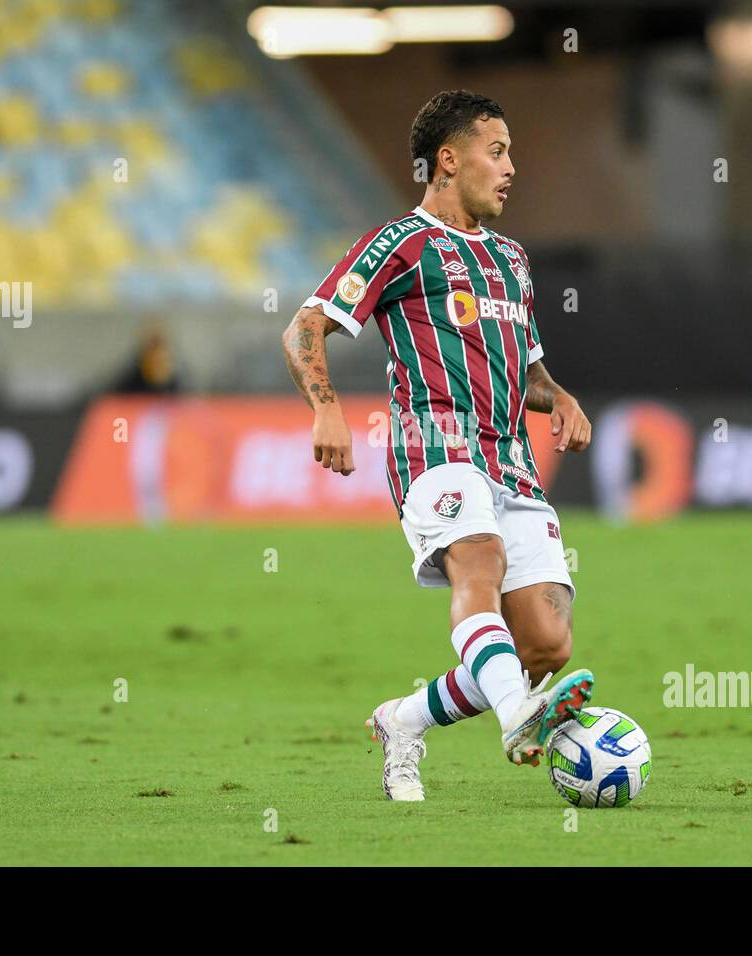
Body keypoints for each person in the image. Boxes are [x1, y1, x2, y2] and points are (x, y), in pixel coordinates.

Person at [280, 90, 594, 801]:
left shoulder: (512, 259)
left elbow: (526, 369)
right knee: (477, 564)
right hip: (433, 446)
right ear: (448, 162)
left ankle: (404, 720)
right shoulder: (400, 244)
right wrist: (325, 409)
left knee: (545, 646)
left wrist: (562, 397)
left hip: (509, 460)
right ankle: (517, 717)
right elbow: (303, 327)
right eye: (497, 150)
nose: (511, 167)